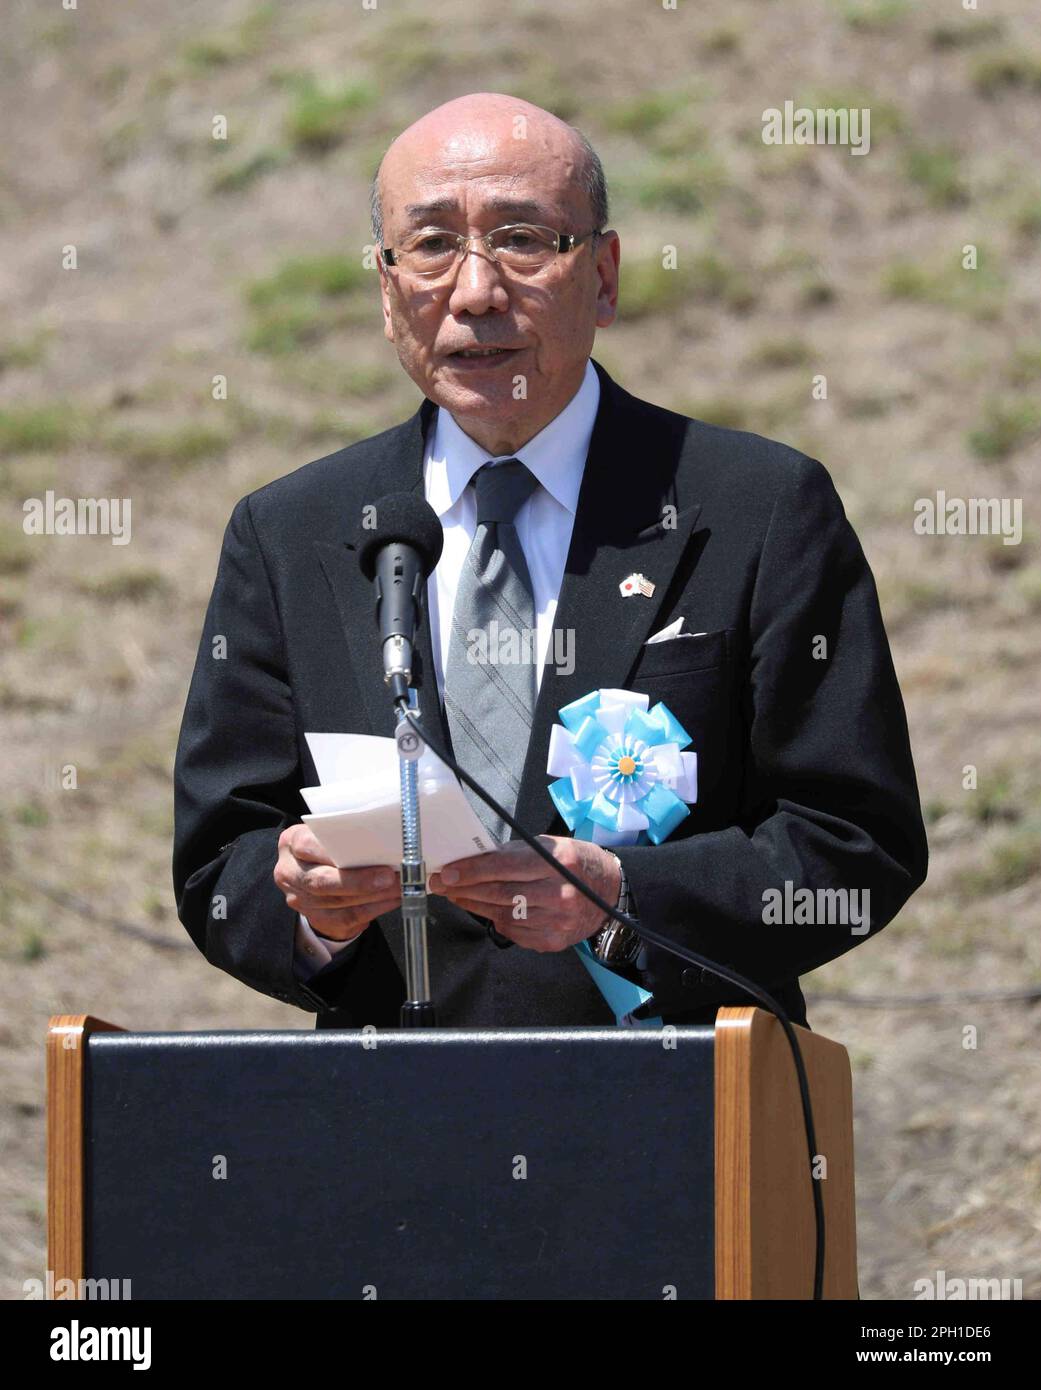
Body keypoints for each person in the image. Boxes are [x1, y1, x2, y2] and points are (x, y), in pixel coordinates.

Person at [172, 92, 928, 1030]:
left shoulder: (756, 507)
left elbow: (856, 843)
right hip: (386, 1122)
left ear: (603, 278)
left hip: (685, 1113)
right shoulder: (292, 531)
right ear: (385, 286)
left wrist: (624, 899)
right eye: (433, 245)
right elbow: (219, 860)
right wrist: (307, 911)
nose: (476, 292)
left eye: (524, 240)